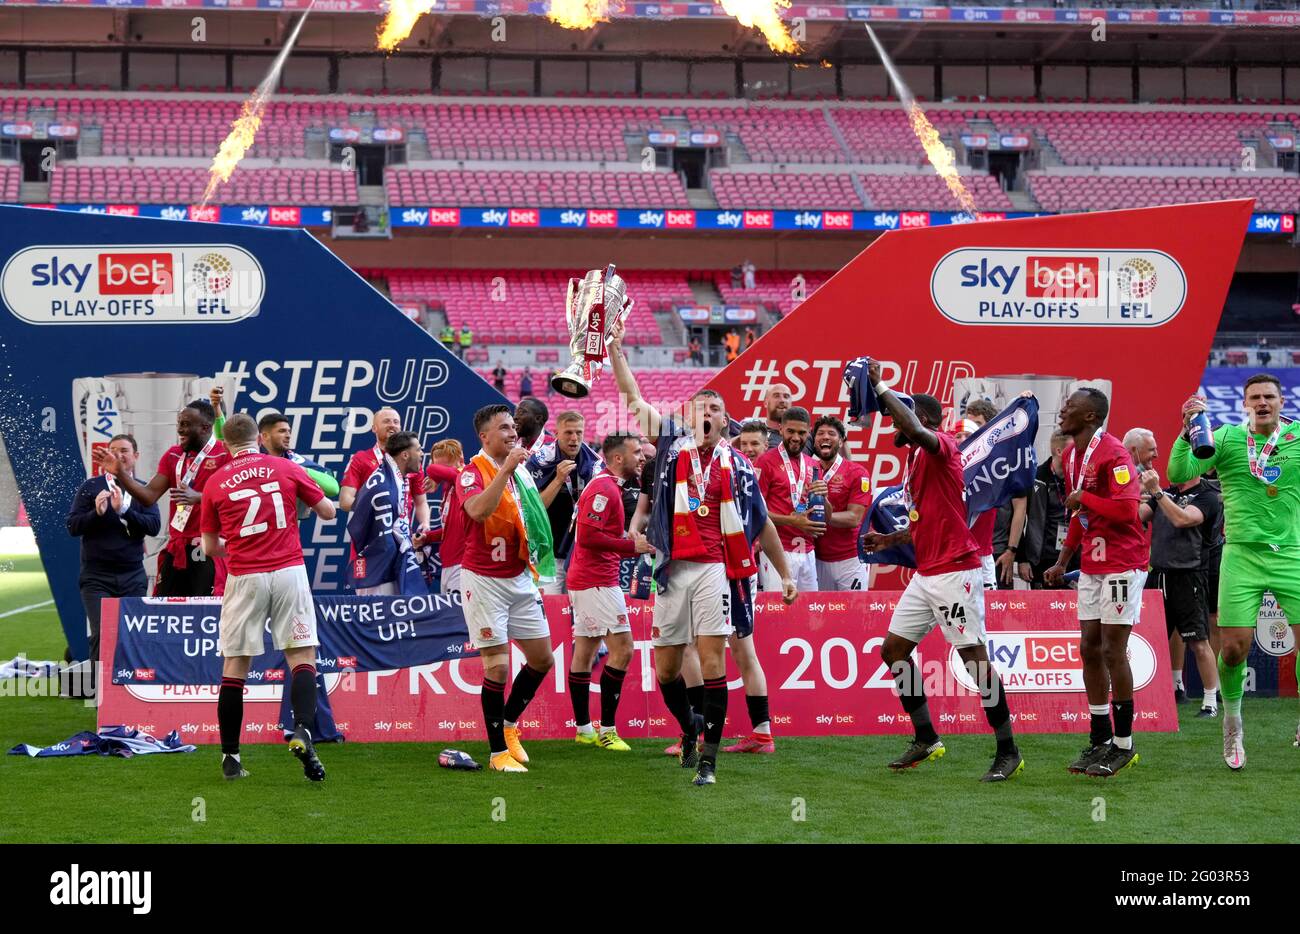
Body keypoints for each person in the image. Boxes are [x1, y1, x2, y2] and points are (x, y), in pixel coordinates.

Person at [609, 316, 796, 786]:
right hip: (672, 570)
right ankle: (690, 729)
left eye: (715, 406)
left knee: (713, 660)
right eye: (700, 406)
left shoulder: (739, 468)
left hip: (717, 569)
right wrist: (614, 350)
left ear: (723, 419)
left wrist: (786, 572)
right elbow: (632, 399)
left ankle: (709, 761)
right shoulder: (671, 446)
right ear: (688, 417)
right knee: (667, 666)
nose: (707, 412)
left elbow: (765, 523)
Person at [860, 364, 1022, 782]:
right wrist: (889, 540)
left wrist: (879, 385)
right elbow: (923, 519)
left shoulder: (941, 444)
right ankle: (926, 737)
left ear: (923, 420)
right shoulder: (915, 460)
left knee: (974, 660)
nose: (892, 421)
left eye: (900, 415)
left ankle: (1008, 749)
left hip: (955, 571)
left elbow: (912, 426)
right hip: (927, 572)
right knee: (892, 651)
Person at [198, 413, 336, 782]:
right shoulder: (285, 467)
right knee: (302, 655)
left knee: (235, 667)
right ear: (258, 438)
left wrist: (242, 543)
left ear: (226, 444)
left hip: (244, 576)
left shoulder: (215, 482)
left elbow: (210, 547)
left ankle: (230, 757)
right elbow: (328, 510)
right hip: (289, 571)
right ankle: (304, 730)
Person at [1171, 374, 1300, 767]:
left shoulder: (1297, 438)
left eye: (1269, 397)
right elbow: (1179, 474)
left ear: (1281, 402)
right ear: (1245, 403)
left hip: (1292, 553)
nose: (1262, 402)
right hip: (1241, 555)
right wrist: (1184, 431)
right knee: (1232, 647)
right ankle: (1232, 723)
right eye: (1255, 397)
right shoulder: (1225, 438)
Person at [1045, 388, 1148, 778]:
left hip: (1123, 563)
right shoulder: (1072, 454)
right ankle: (1100, 737)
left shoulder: (1115, 453)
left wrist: (1084, 497)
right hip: (1092, 563)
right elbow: (1079, 514)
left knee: (1111, 649)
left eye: (1070, 407)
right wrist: (1062, 560)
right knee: (1088, 647)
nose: (1062, 411)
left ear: (1090, 417)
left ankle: (1124, 745)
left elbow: (1126, 510)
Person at [457, 404, 556, 773]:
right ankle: (498, 752)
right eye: (503, 428)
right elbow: (479, 510)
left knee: (542, 659)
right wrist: (507, 469)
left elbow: (532, 516)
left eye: (513, 427)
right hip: (484, 582)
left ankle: (511, 724)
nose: (512, 433)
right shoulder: (472, 472)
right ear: (484, 437)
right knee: (497, 669)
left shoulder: (522, 475)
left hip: (519, 576)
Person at [566, 433, 654, 750]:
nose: (641, 457)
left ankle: (584, 729)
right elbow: (589, 537)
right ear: (617, 458)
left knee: (586, 651)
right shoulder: (603, 487)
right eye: (635, 453)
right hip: (597, 581)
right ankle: (607, 730)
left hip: (589, 578)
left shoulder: (604, 485)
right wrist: (632, 546)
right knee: (624, 649)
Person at [93, 398, 229, 597]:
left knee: (206, 617)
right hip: (177, 549)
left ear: (205, 428)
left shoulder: (224, 454)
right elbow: (148, 496)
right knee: (165, 613)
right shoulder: (173, 455)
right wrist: (120, 473)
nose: (180, 430)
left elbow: (238, 496)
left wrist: (200, 497)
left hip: (208, 548)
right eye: (179, 423)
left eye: (185, 424)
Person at [67, 434, 161, 689]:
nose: (118, 455)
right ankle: (102, 699)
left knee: (132, 636)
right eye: (113, 450)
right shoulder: (90, 487)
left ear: (136, 456)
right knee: (102, 634)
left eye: (124, 450)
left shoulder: (143, 489)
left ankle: (130, 695)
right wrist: (96, 514)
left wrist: (125, 511)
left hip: (132, 576)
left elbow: (154, 526)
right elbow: (73, 526)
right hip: (97, 577)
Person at [1141, 460, 1222, 719]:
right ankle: (1148, 696)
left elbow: (1183, 519)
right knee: (1151, 641)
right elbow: (1139, 515)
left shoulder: (1208, 495)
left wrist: (1157, 493)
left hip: (1190, 576)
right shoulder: (1167, 492)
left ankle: (1210, 700)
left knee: (1198, 641)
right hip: (1159, 575)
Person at [347, 431, 427, 596]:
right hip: (379, 571)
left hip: (384, 566)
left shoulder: (391, 478)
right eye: (418, 449)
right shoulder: (384, 487)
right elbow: (379, 538)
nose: (422, 454)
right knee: (382, 621)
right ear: (405, 455)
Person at [529, 411, 598, 595]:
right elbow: (535, 509)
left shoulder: (595, 464)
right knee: (548, 611)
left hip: (579, 554)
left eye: (579, 432)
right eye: (568, 433)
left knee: (580, 614)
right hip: (547, 554)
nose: (574, 439)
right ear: (556, 433)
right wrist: (558, 480)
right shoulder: (540, 461)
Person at [755, 406, 823, 594]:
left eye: (801, 432)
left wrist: (824, 498)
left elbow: (824, 513)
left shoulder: (813, 465)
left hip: (808, 551)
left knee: (810, 615)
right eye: (790, 431)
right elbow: (757, 512)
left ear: (809, 433)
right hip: (778, 551)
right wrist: (792, 520)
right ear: (781, 430)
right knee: (780, 613)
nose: (795, 437)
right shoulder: (765, 462)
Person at [963, 399, 1026, 590]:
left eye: (978, 424)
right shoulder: (962, 458)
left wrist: (1011, 549)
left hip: (997, 550)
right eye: (969, 423)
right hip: (963, 551)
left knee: (995, 613)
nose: (973, 429)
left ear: (990, 425)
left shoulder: (1005, 459)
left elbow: (1020, 505)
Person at [812, 415, 872, 591]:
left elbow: (854, 518)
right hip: (816, 559)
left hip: (851, 560)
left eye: (832, 433)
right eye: (820, 433)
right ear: (814, 440)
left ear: (841, 441)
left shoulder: (857, 473)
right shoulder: (807, 470)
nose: (825, 437)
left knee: (855, 615)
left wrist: (821, 517)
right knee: (819, 617)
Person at [338, 408, 426, 528]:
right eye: (386, 421)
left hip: (403, 538)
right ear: (374, 428)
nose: (392, 425)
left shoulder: (410, 460)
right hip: (369, 539)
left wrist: (425, 523)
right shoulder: (361, 459)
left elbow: (421, 502)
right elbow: (345, 501)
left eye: (396, 422)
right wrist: (376, 508)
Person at [1017, 430, 1076, 588]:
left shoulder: (1080, 479)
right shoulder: (1035, 478)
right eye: (1074, 449)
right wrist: (1022, 558)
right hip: (1041, 560)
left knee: (1073, 610)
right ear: (1059, 451)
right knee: (1043, 610)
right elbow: (1018, 518)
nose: (1079, 454)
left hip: (1072, 558)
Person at [424, 439, 466, 593]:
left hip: (463, 564)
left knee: (459, 615)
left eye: (445, 467)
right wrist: (426, 537)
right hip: (448, 564)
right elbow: (450, 530)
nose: (441, 471)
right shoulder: (448, 486)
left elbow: (431, 469)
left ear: (460, 460)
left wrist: (435, 475)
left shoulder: (463, 477)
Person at [762, 383, 793, 448]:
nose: (782, 400)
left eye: (786, 397)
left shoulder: (804, 436)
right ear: (765, 403)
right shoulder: (756, 434)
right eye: (776, 396)